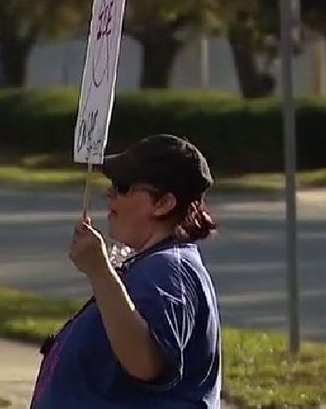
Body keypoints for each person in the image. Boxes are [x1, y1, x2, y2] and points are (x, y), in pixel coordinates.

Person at [30, 134, 223, 409]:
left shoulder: (169, 269)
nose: (109, 194)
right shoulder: (153, 264)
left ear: (163, 203)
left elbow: (145, 362)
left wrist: (100, 272)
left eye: (123, 186)